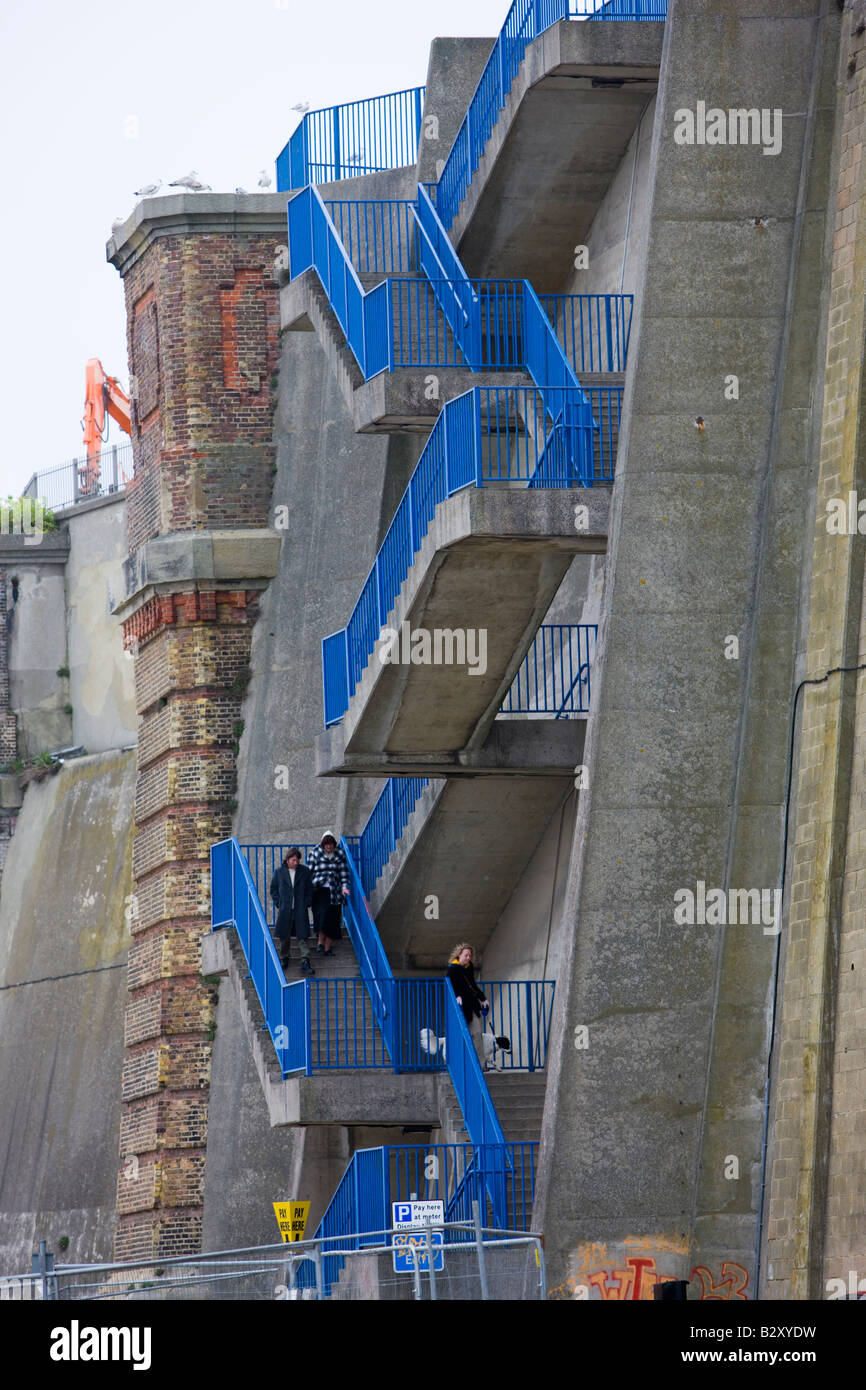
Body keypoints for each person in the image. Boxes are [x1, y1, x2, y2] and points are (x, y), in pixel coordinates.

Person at [269, 847, 315, 976]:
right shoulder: (279, 872)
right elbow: (273, 889)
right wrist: (279, 903)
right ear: (288, 860)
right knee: (285, 935)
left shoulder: (304, 871)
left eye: (297, 860)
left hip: (300, 907)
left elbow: (310, 889)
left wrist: (307, 902)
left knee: (303, 935)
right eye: (293, 860)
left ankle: (305, 961)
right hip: (285, 908)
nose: (296, 862)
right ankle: (285, 958)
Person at [447, 943, 490, 1068]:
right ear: (459, 954)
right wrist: (456, 996)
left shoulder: (469, 967)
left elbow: (472, 985)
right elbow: (449, 986)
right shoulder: (452, 969)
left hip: (471, 1005)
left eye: (470, 955)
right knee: (462, 1036)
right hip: (459, 1007)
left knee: (477, 1034)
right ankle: (459, 1064)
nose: (468, 958)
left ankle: (481, 1065)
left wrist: (483, 998)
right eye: (466, 955)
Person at [307, 832, 350, 956]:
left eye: (331, 845)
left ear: (334, 845)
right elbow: (309, 871)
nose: (329, 847)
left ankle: (327, 948)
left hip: (334, 891)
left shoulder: (340, 853)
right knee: (321, 917)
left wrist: (344, 887)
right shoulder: (314, 852)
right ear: (323, 844)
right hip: (319, 890)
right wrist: (308, 889)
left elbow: (343, 872)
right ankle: (320, 942)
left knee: (333, 919)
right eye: (326, 845)